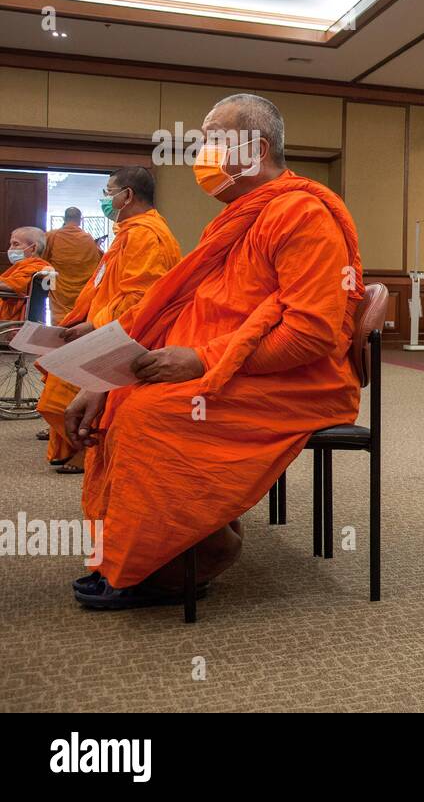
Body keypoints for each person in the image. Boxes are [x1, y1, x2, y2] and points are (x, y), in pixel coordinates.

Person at [64, 93, 366, 609]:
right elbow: (192, 312)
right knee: (122, 403)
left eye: (210, 140)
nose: (200, 153)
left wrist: (204, 360)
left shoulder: (301, 214)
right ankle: (147, 547)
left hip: (300, 380)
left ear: (254, 148)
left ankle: (193, 554)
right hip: (229, 363)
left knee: (146, 417)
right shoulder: (233, 219)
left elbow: (310, 334)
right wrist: (104, 377)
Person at [37, 167, 181, 474]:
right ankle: (77, 447)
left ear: (127, 195)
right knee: (58, 377)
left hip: (126, 333)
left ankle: (83, 449)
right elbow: (106, 284)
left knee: (63, 387)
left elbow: (139, 298)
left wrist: (92, 326)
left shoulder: (145, 235)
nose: (105, 199)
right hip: (107, 323)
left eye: (108, 192)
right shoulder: (128, 232)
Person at [43, 207, 103, 323]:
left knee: (59, 321)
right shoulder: (88, 238)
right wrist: (98, 246)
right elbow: (100, 262)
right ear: (80, 220)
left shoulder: (52, 236)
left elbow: (42, 260)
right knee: (78, 319)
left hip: (58, 287)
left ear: (64, 218)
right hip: (81, 289)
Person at [1, 227, 50, 320]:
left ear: (33, 248)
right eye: (10, 244)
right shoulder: (23, 267)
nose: (10, 249)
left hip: (15, 323)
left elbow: (12, 285)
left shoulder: (36, 267)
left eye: (16, 244)